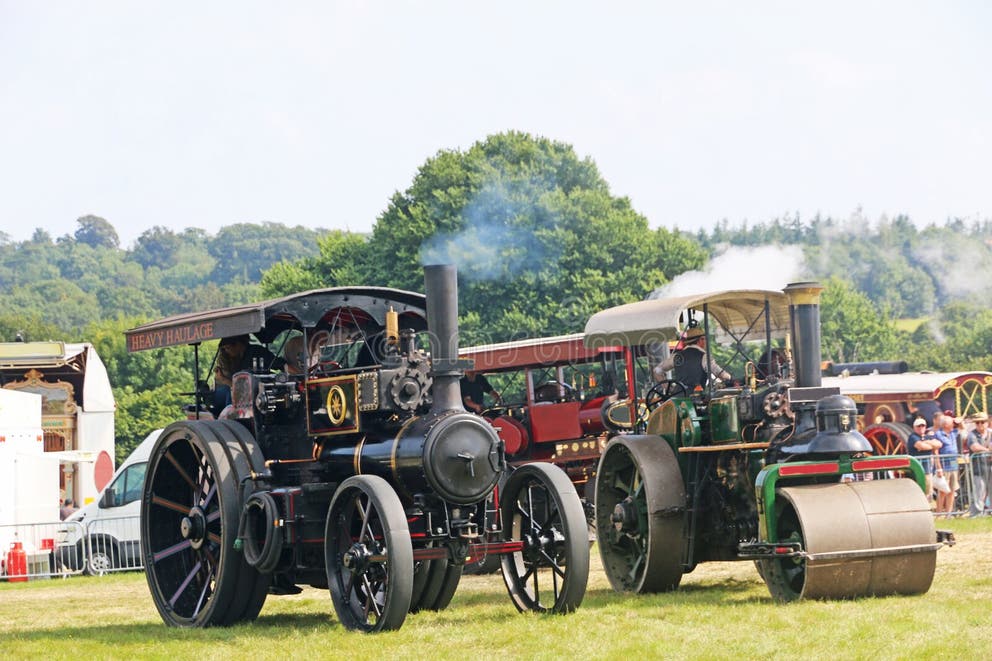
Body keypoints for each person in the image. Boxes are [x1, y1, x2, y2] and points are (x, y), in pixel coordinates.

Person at [212, 335, 285, 416]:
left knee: (229, 392)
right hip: (241, 395)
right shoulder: (231, 359)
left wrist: (224, 380)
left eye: (228, 348)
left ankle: (231, 417)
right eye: (224, 349)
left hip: (258, 394)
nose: (226, 351)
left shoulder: (257, 351)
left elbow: (280, 364)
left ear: (238, 344)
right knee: (217, 394)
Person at [653, 327, 732, 390]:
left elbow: (657, 371)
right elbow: (721, 374)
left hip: (678, 399)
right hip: (697, 400)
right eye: (704, 339)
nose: (706, 342)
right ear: (700, 340)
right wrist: (729, 377)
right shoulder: (704, 357)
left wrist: (669, 388)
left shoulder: (677, 356)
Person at [907, 417, 940, 499]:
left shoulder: (927, 436)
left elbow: (939, 444)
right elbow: (921, 446)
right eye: (919, 426)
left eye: (923, 426)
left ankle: (928, 502)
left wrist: (926, 443)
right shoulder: (912, 437)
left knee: (928, 485)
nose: (921, 428)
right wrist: (931, 445)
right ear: (914, 427)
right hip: (916, 468)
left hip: (927, 467)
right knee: (921, 486)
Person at [934, 413, 960, 515]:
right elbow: (936, 452)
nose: (953, 424)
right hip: (944, 465)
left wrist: (958, 421)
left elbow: (963, 428)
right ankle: (939, 513)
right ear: (945, 425)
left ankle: (948, 514)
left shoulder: (953, 433)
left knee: (952, 491)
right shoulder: (938, 434)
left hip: (954, 465)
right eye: (951, 422)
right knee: (943, 491)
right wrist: (939, 468)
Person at [966, 412, 992, 516]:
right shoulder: (972, 434)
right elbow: (974, 447)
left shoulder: (990, 433)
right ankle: (976, 514)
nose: (980, 424)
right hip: (978, 468)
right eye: (977, 423)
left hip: (990, 467)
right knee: (979, 491)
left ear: (987, 422)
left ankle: (990, 511)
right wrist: (988, 450)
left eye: (982, 422)